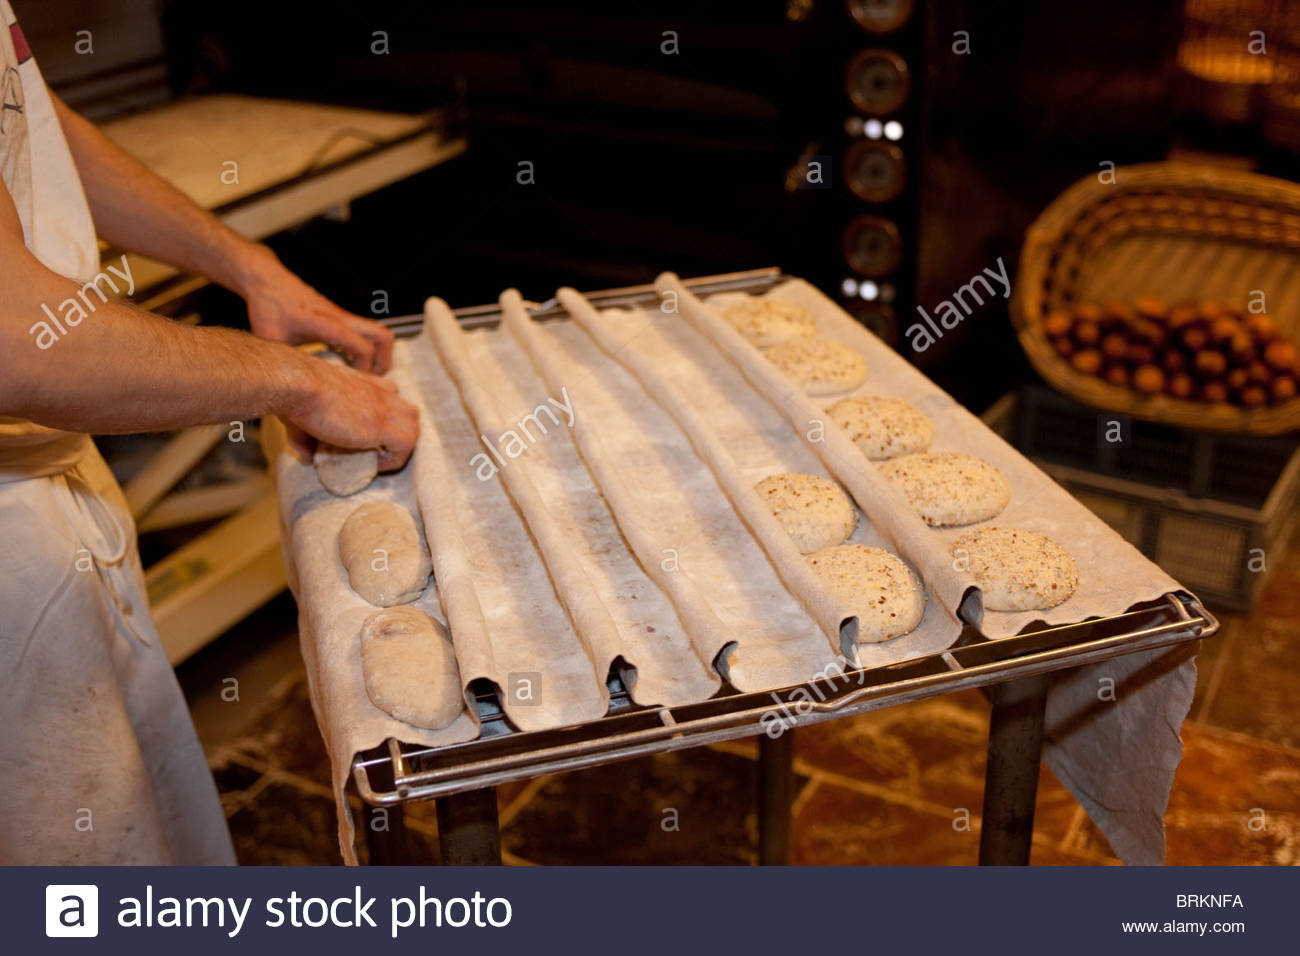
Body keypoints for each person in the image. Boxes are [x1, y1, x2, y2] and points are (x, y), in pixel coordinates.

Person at [0, 0, 417, 864]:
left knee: (137, 832)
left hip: (46, 474)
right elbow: (18, 342)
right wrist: (296, 383)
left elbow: (34, 120)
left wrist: (241, 263)